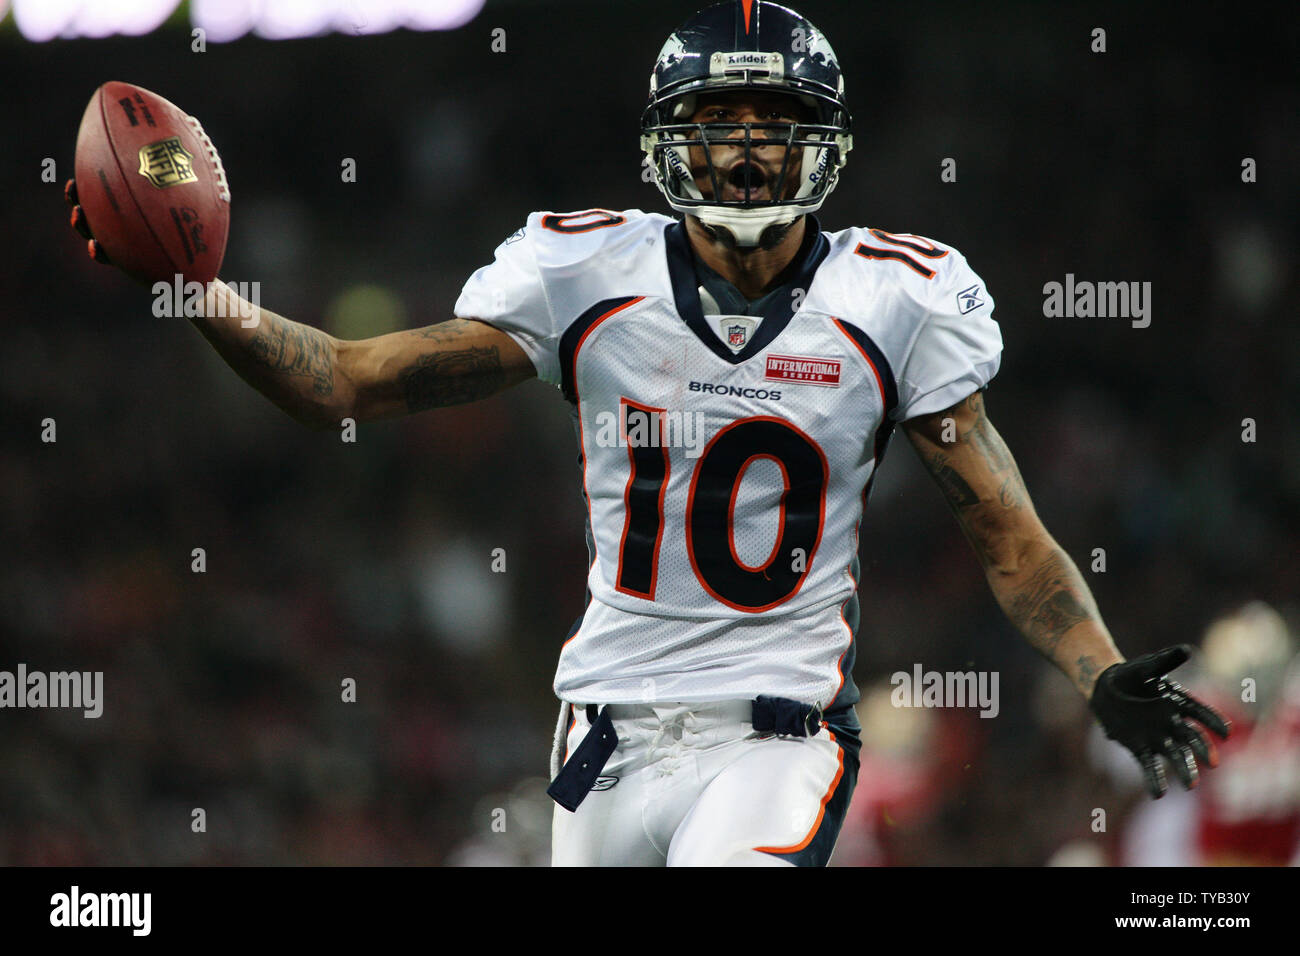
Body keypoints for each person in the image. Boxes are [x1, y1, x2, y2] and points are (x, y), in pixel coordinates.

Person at [65, 0, 1229, 866]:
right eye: (716, 122)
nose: (741, 150)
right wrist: (201, 294)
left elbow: (1007, 534)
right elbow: (348, 383)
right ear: (669, 139)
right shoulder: (588, 272)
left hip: (776, 735)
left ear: (821, 142)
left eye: (771, 123)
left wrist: (1094, 666)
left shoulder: (896, 297)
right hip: (600, 740)